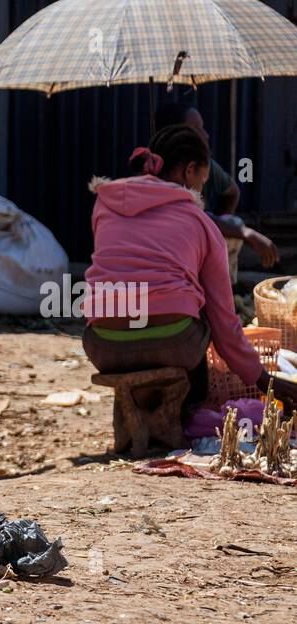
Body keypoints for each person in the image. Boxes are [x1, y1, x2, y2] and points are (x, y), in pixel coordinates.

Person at [84, 125, 297, 411]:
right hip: (174, 345)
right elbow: (224, 323)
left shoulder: (104, 205)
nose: (201, 191)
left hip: (102, 345)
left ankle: (140, 412)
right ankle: (189, 411)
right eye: (202, 181)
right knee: (205, 313)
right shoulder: (200, 221)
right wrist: (264, 380)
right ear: (189, 170)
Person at [154, 101, 280, 279]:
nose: (206, 135)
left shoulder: (205, 165)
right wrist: (245, 232)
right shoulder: (153, 171)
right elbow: (189, 214)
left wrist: (216, 227)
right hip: (157, 271)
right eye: (196, 128)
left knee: (230, 223)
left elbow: (231, 193)